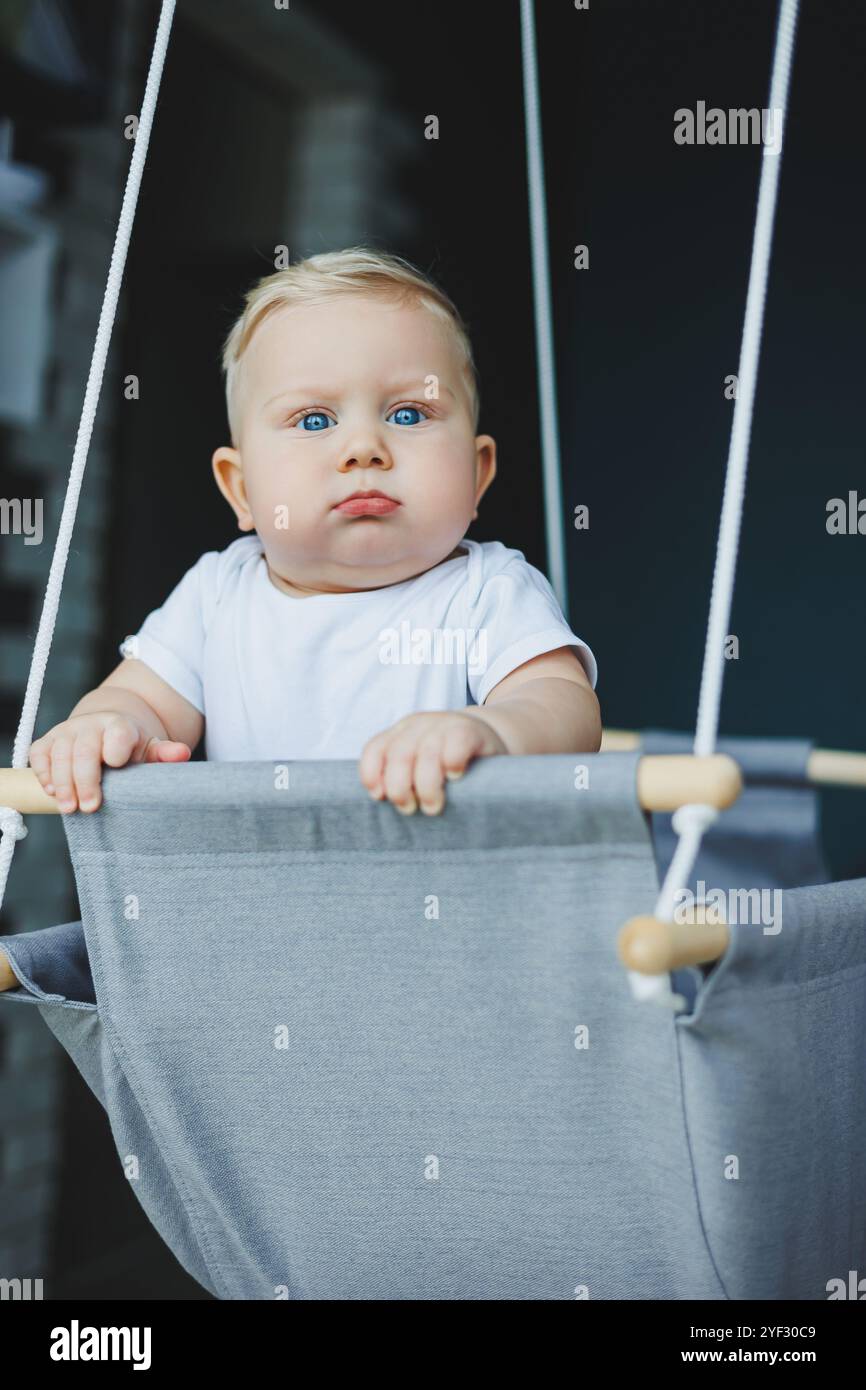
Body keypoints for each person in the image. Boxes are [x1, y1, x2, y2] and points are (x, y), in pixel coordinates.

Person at [27, 246, 600, 822]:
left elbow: (563, 706)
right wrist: (105, 724)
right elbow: (143, 699)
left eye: (407, 414)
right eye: (314, 420)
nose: (363, 449)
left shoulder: (487, 590)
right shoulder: (218, 593)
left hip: (447, 902)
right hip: (268, 905)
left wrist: (493, 730)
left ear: (477, 476)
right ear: (241, 489)